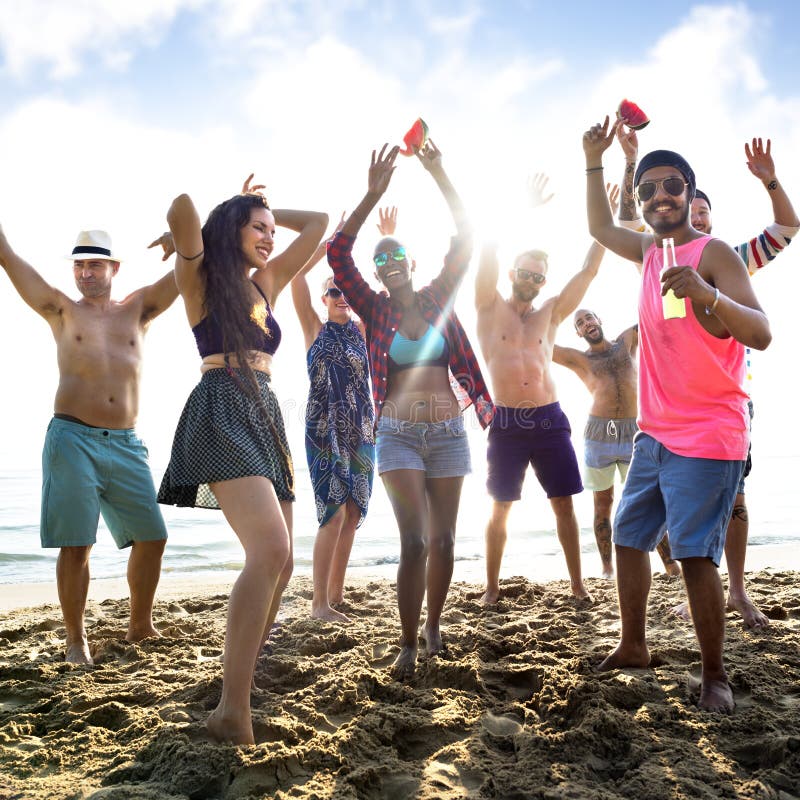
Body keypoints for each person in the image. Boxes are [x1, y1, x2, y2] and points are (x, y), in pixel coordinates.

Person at [583, 115, 771, 712]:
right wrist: (594, 159)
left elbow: (762, 332)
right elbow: (595, 225)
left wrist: (707, 292)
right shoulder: (646, 251)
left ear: (690, 193)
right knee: (629, 537)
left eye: (670, 187)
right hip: (654, 433)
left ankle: (715, 674)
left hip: (710, 434)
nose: (658, 197)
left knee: (693, 555)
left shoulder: (712, 252)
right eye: (646, 190)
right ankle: (633, 644)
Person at [157, 179, 327, 744]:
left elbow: (321, 222)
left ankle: (240, 680)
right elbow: (181, 204)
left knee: (283, 566)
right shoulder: (200, 279)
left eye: (273, 231)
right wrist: (206, 228)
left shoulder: (266, 284)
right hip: (221, 406)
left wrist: (271, 204)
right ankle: (232, 710)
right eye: (259, 228)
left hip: (266, 412)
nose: (270, 238)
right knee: (271, 550)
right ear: (233, 229)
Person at [616, 128, 799, 628]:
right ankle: (712, 592)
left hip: (722, 405)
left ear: (709, 218)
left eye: (699, 209)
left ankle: (737, 589)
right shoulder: (656, 255)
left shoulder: (728, 256)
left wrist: (771, 181)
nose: (686, 213)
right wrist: (627, 161)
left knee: (731, 501)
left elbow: (786, 228)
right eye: (683, 207)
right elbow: (627, 223)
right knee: (656, 525)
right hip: (663, 416)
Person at [327, 142, 492, 676]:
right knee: (415, 541)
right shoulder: (372, 310)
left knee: (444, 539)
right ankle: (406, 641)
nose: (389, 263)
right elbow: (338, 254)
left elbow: (467, 236)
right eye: (382, 259)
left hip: (447, 433)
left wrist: (439, 169)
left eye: (397, 256)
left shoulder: (438, 296)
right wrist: (372, 194)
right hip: (397, 434)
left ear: (411, 264)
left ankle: (434, 623)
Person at [0, 227, 178, 665]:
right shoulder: (61, 309)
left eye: (95, 264)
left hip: (126, 442)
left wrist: (192, 238)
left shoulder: (138, 308)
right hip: (72, 438)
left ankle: (140, 626)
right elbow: (7, 256)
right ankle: (76, 641)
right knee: (77, 544)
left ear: (114, 267)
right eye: (79, 264)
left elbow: (192, 269)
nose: (86, 272)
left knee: (152, 536)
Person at [474, 176, 608, 605]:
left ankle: (577, 585)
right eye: (527, 273)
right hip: (507, 421)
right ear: (514, 274)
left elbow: (588, 271)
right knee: (500, 508)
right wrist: (522, 210)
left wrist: (604, 224)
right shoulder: (487, 305)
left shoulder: (551, 312)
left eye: (539, 277)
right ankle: (492, 589)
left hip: (550, 419)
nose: (532, 280)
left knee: (564, 504)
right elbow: (487, 249)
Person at [553, 309, 680, 579]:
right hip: (599, 435)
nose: (586, 323)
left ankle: (670, 564)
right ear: (578, 332)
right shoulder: (580, 359)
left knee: (647, 499)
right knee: (603, 502)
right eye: (579, 323)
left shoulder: (626, 340)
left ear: (599, 320)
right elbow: (542, 346)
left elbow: (655, 314)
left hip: (634, 431)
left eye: (589, 318)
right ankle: (608, 568)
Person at [290, 219, 375, 622]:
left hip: (362, 428)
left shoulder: (362, 329)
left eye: (345, 291)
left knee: (354, 511)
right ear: (325, 298)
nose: (341, 296)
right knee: (334, 511)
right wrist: (321, 250)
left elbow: (388, 302)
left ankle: (336, 595)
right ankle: (317, 604)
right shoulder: (314, 328)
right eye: (334, 291)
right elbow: (295, 280)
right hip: (324, 430)